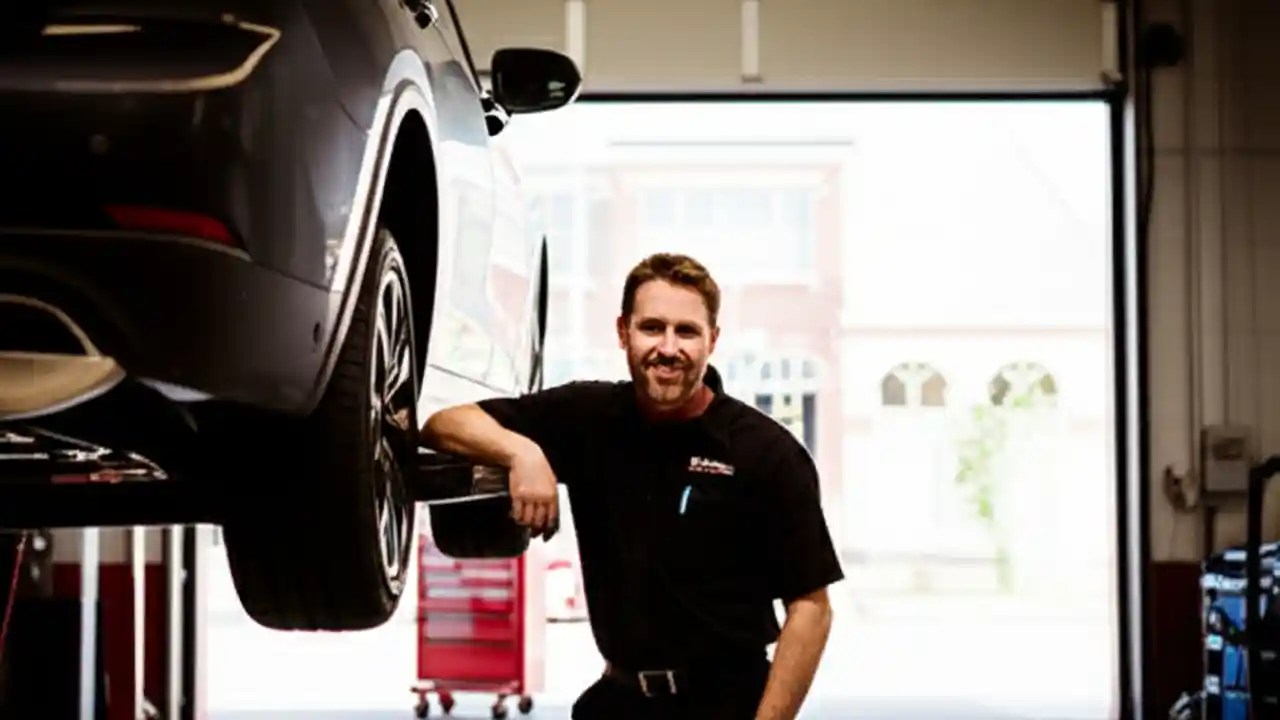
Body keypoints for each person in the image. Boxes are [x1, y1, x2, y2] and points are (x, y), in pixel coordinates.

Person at [420, 252, 844, 720]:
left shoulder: (767, 453)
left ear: (713, 340)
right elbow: (442, 425)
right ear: (623, 332)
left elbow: (811, 608)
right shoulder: (588, 417)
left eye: (687, 331)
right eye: (652, 328)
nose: (668, 347)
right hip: (618, 701)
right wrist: (522, 453)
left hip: (728, 704)